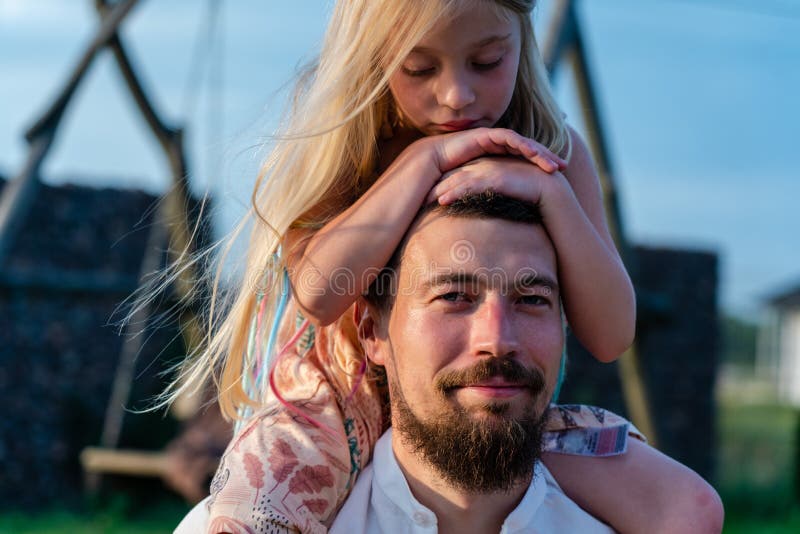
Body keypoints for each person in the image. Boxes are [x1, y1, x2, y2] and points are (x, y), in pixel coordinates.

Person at [166, 1, 717, 532]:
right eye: (420, 68)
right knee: (247, 521)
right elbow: (318, 292)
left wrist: (551, 195)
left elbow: (612, 334)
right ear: (374, 58)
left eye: (487, 61)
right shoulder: (353, 144)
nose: (458, 94)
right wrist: (422, 163)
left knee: (688, 507)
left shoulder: (553, 152)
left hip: (490, 404)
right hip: (327, 419)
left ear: (521, 41)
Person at [329, 191, 723, 533]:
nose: (498, 340)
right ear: (370, 332)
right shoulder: (294, 519)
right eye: (453, 297)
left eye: (532, 300)